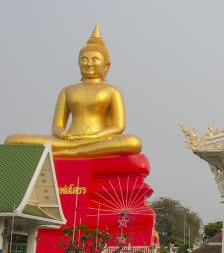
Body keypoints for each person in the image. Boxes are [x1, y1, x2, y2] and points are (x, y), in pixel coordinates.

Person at [5, 25, 141, 158]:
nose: (89, 64)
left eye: (95, 60)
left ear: (106, 66)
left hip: (98, 140)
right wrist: (62, 134)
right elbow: (57, 126)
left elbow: (118, 127)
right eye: (84, 59)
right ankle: (74, 151)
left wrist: (95, 136)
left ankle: (67, 153)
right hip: (68, 140)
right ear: (78, 63)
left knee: (133, 142)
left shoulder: (112, 91)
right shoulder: (67, 90)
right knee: (13, 140)